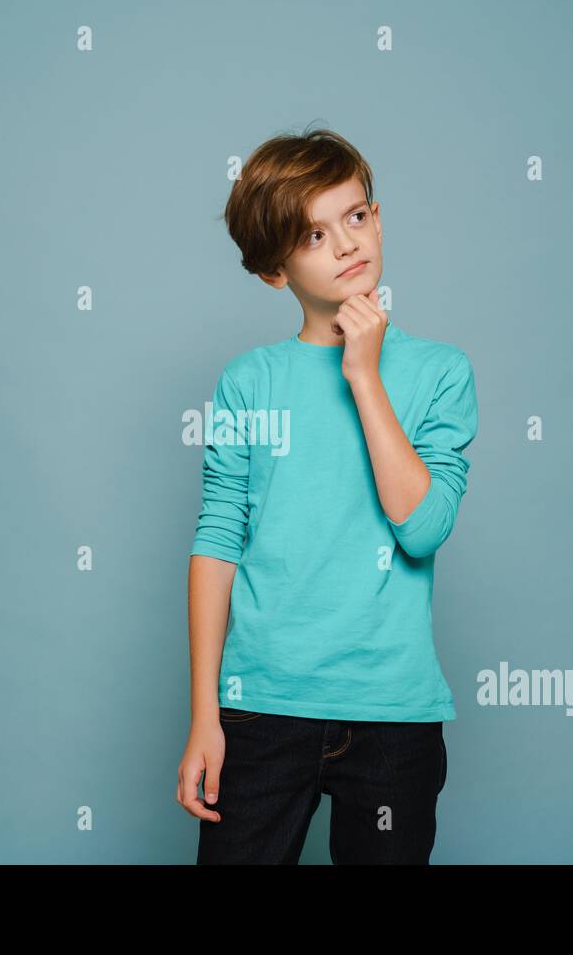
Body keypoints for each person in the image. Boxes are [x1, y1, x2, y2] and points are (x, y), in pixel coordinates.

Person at [176, 125, 479, 864]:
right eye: (314, 234)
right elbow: (217, 544)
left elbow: (422, 528)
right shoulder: (249, 382)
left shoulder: (440, 372)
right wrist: (204, 716)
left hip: (390, 719)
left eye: (357, 215)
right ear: (275, 270)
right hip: (261, 710)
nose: (348, 243)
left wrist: (364, 375)